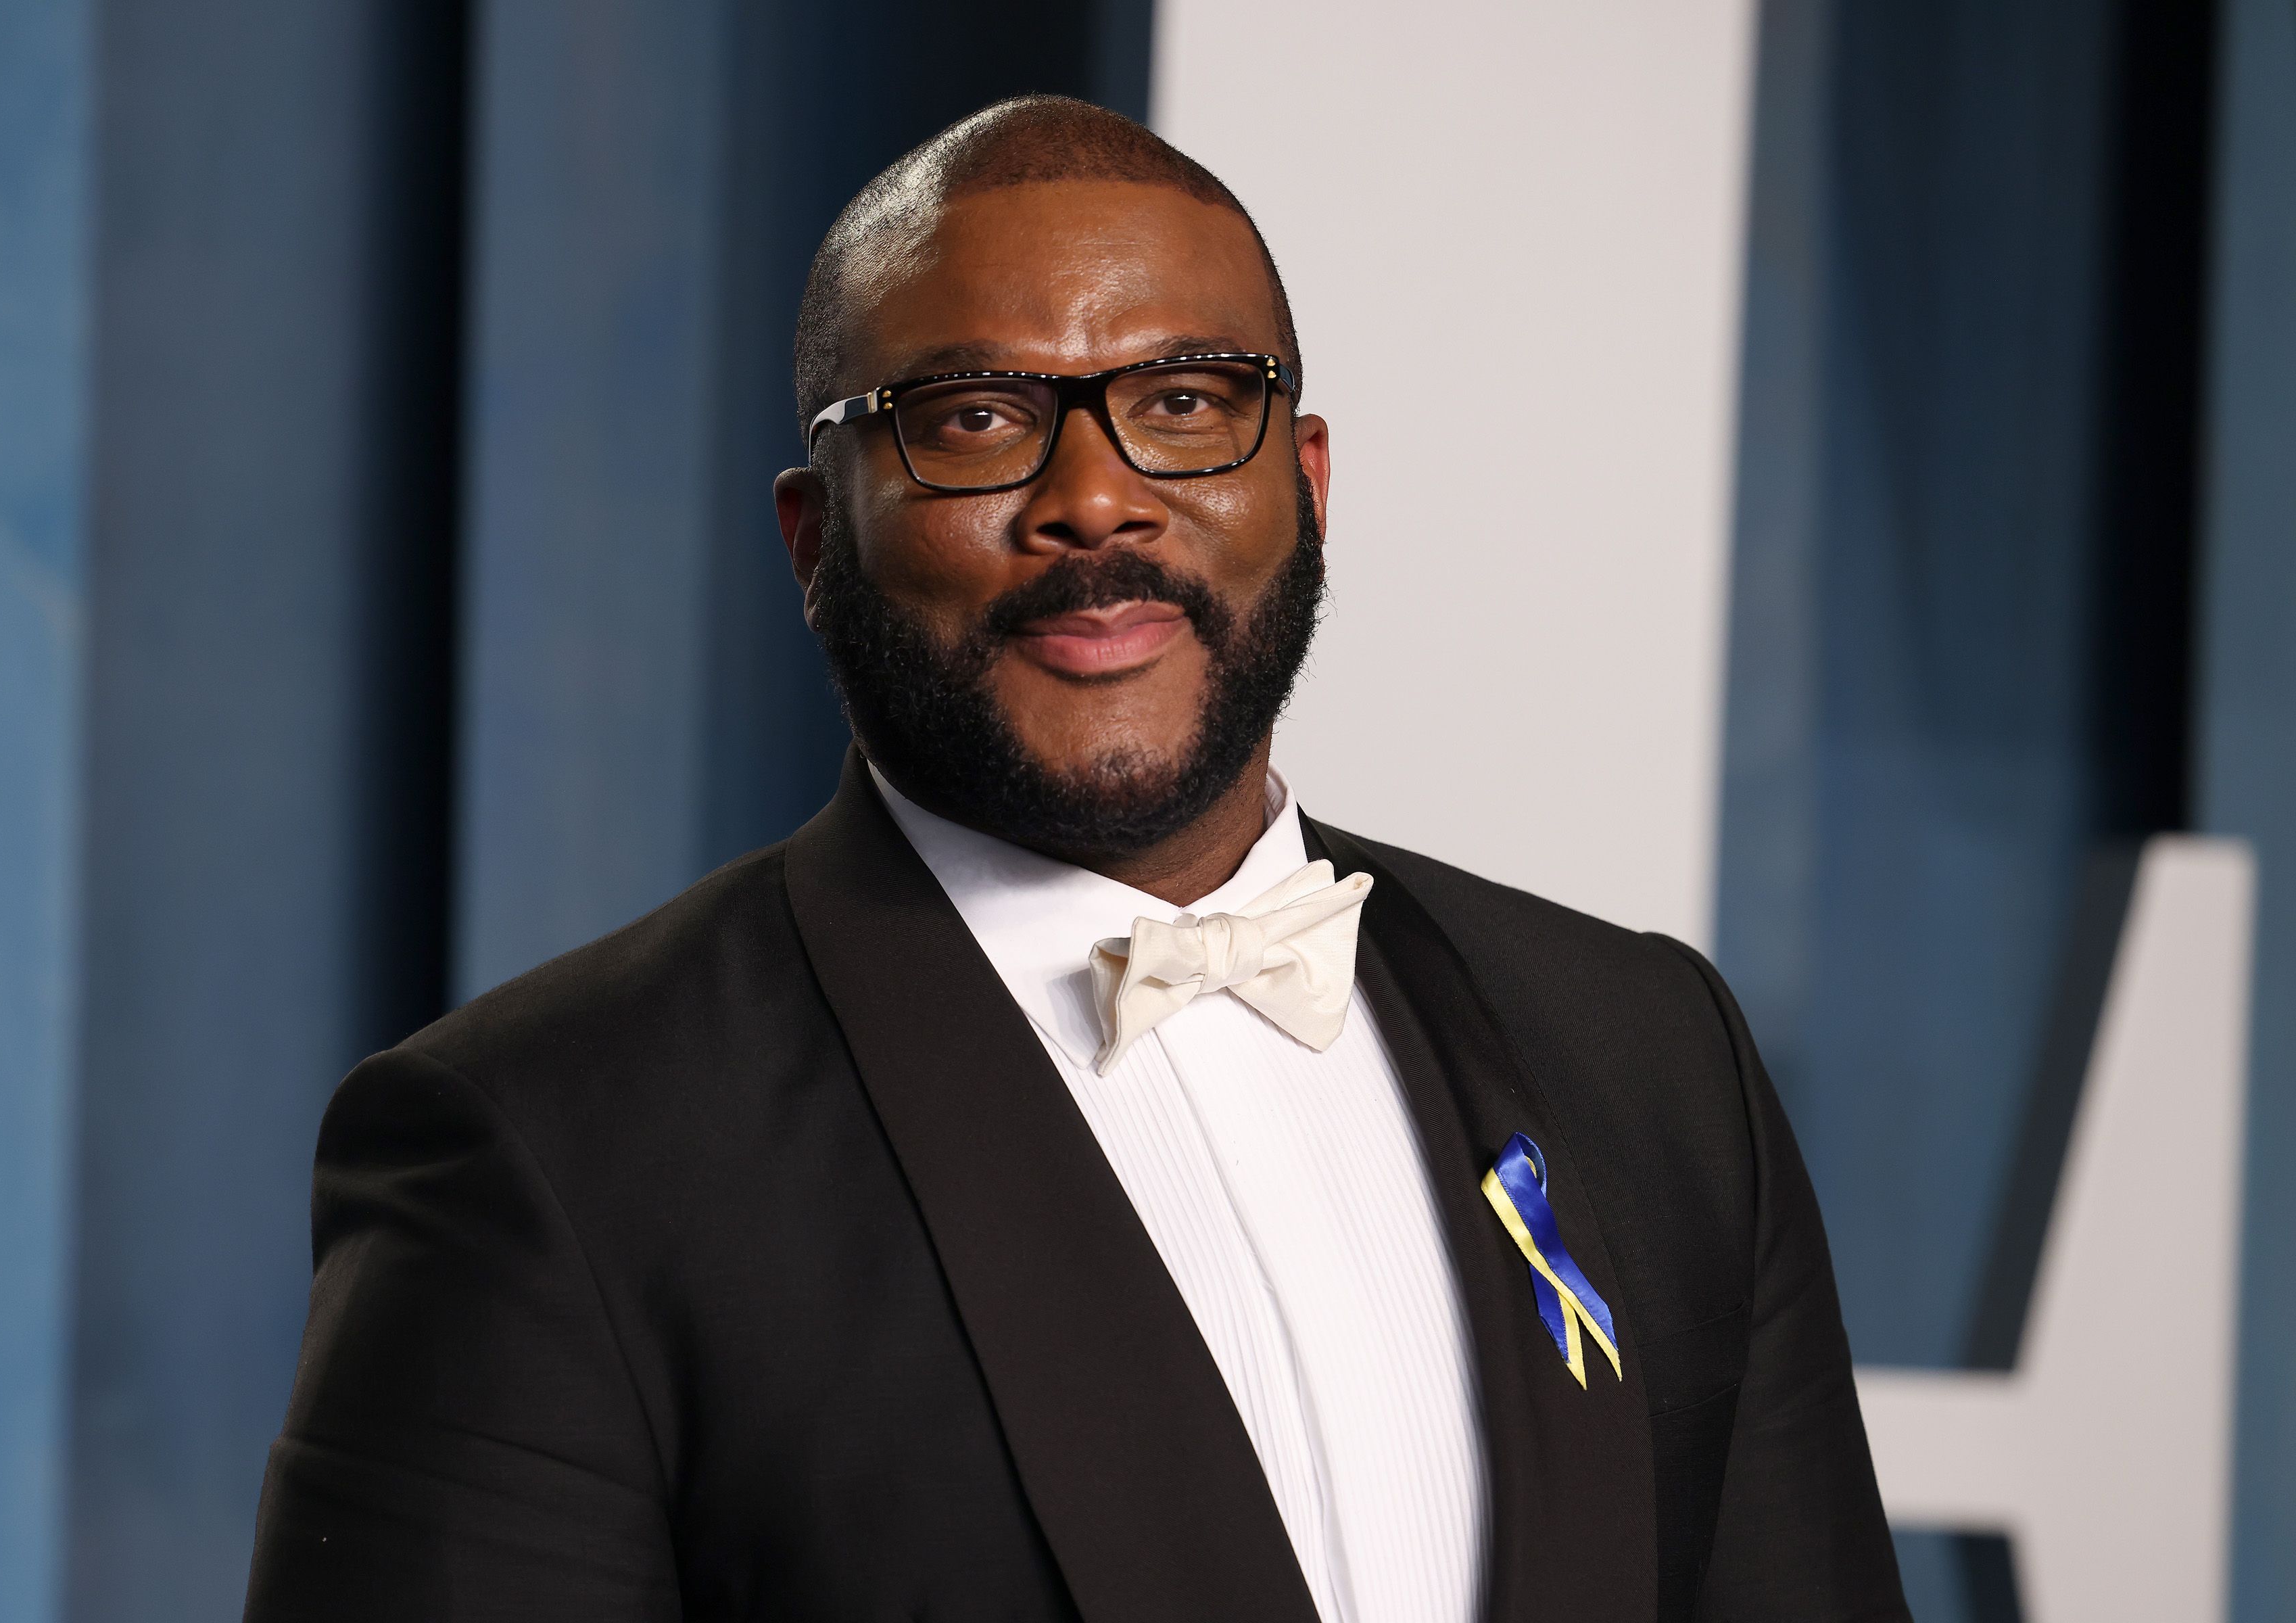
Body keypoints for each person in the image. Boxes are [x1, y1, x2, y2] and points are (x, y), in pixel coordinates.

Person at [243, 96, 1907, 1623]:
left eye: (1185, 403)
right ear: (815, 541)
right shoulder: (552, 1147)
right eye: (975, 420)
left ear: (1307, 484)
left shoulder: (1647, 1056)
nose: (1097, 502)